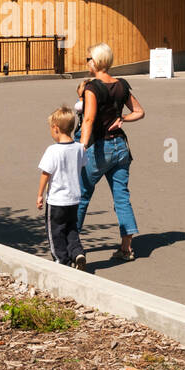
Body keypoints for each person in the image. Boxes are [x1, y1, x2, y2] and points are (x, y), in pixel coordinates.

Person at [76, 43, 145, 261]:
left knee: (82, 195)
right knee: (122, 197)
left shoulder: (92, 88)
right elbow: (140, 112)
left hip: (99, 147)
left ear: (95, 62)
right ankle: (126, 248)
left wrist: (81, 149)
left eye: (88, 59)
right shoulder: (122, 85)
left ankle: (72, 245)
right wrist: (122, 119)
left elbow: (88, 119)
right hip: (121, 148)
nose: (87, 62)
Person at [36, 106, 87, 269]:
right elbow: (82, 166)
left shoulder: (53, 150)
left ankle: (61, 261)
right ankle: (77, 252)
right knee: (71, 228)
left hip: (57, 200)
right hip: (74, 198)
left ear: (55, 128)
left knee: (55, 232)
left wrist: (40, 195)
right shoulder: (79, 148)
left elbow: (46, 174)